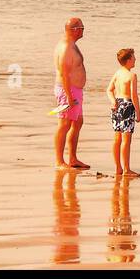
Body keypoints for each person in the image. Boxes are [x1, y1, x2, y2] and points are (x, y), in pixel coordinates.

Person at [53, 17, 88, 170]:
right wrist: (68, 96)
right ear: (75, 30)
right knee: (64, 124)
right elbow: (64, 74)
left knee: (78, 122)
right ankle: (59, 161)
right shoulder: (66, 48)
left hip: (75, 90)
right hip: (68, 90)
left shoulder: (71, 44)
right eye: (82, 28)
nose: (83, 31)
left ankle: (72, 158)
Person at [106, 48, 140, 177]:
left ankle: (118, 168)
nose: (135, 59)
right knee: (126, 139)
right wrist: (138, 112)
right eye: (133, 57)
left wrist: (113, 101)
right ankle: (126, 169)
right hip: (127, 105)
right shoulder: (132, 76)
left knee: (117, 138)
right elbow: (134, 96)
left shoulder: (117, 73)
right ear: (128, 60)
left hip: (117, 105)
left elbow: (109, 90)